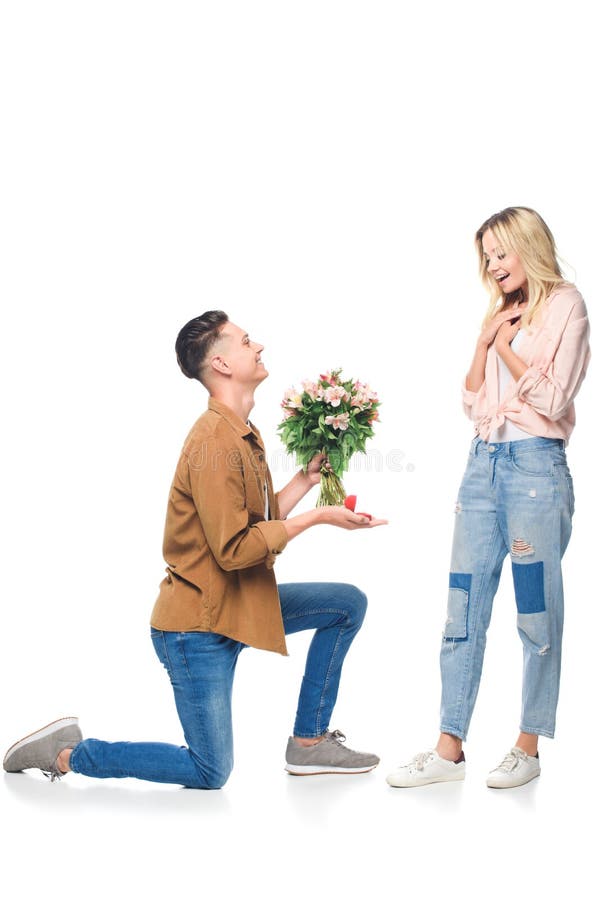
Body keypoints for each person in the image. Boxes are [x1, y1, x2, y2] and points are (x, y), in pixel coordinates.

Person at [4, 311, 386, 788]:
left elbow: (256, 522)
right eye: (246, 341)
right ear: (221, 363)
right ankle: (67, 754)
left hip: (237, 606)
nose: (259, 347)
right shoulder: (213, 440)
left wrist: (305, 482)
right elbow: (234, 551)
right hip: (196, 628)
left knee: (346, 604)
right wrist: (318, 518)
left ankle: (309, 743)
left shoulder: (242, 432)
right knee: (210, 770)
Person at [387, 207, 590, 789]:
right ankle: (448, 750)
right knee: (463, 604)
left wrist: (504, 347)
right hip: (482, 464)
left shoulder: (566, 305)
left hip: (534, 468)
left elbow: (553, 398)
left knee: (535, 608)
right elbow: (473, 403)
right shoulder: (502, 311)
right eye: (487, 256)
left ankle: (527, 746)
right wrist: (485, 341)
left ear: (530, 245)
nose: (494, 264)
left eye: (502, 252)